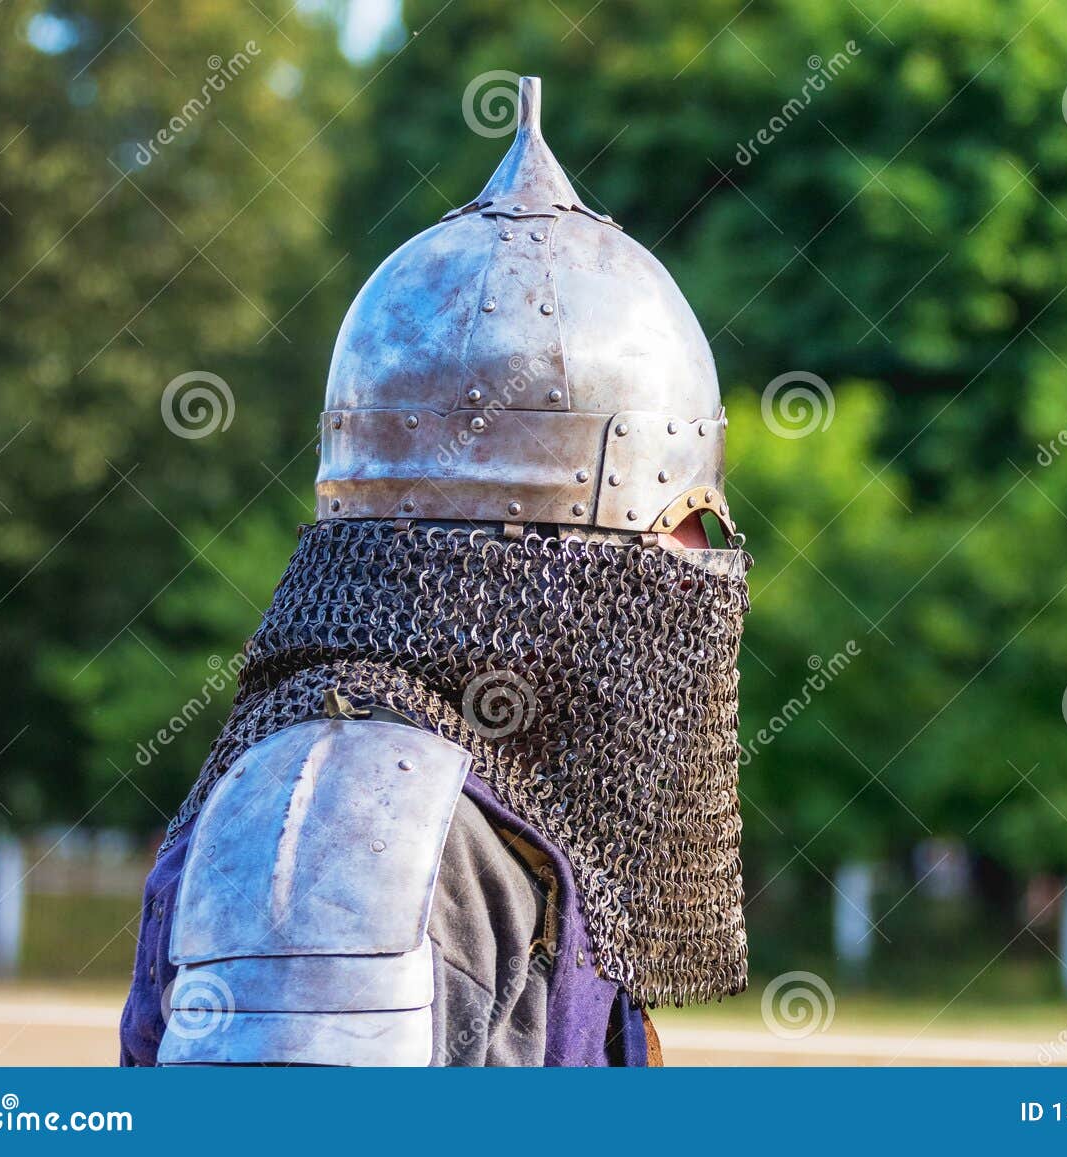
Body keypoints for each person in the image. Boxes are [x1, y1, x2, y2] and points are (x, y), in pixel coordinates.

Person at [118, 76, 750, 1066]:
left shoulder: (507, 812)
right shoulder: (350, 812)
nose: (706, 569)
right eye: (684, 522)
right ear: (553, 545)